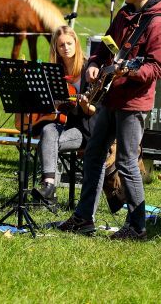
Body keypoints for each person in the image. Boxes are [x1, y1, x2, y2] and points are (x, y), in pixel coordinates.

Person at [59, 0, 161, 240]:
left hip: (133, 103)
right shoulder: (124, 14)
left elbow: (155, 68)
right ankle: (84, 218)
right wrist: (95, 63)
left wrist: (128, 73)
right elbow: (104, 48)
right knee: (94, 153)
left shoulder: (156, 23)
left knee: (127, 162)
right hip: (109, 97)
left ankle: (137, 226)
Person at [32, 26, 96, 203]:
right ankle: (49, 185)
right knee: (48, 130)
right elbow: (47, 102)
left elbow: (94, 110)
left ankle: (48, 193)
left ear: (76, 44)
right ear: (56, 48)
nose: (66, 48)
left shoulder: (88, 69)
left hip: (85, 128)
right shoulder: (54, 71)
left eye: (69, 43)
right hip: (63, 122)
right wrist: (54, 103)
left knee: (48, 142)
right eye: (61, 45)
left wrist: (84, 104)